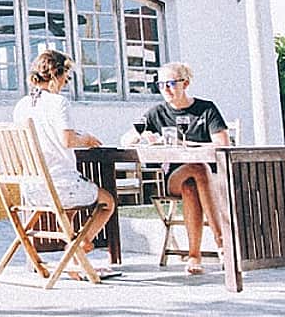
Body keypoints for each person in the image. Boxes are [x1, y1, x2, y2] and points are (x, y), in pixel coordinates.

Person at [12, 50, 117, 278]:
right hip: (58, 186)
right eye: (66, 78)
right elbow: (67, 140)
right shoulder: (59, 102)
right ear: (56, 74)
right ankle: (80, 246)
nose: (66, 83)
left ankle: (73, 259)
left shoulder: (21, 105)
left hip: (32, 191)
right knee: (108, 201)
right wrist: (86, 140)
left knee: (67, 210)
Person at [134, 61, 230, 275]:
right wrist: (143, 136)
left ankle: (194, 256)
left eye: (170, 83)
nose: (165, 89)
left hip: (209, 182)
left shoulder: (205, 109)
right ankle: (222, 243)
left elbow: (223, 143)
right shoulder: (156, 113)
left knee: (193, 185)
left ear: (185, 83)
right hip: (172, 178)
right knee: (198, 168)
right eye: (160, 84)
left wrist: (191, 145)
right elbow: (128, 136)